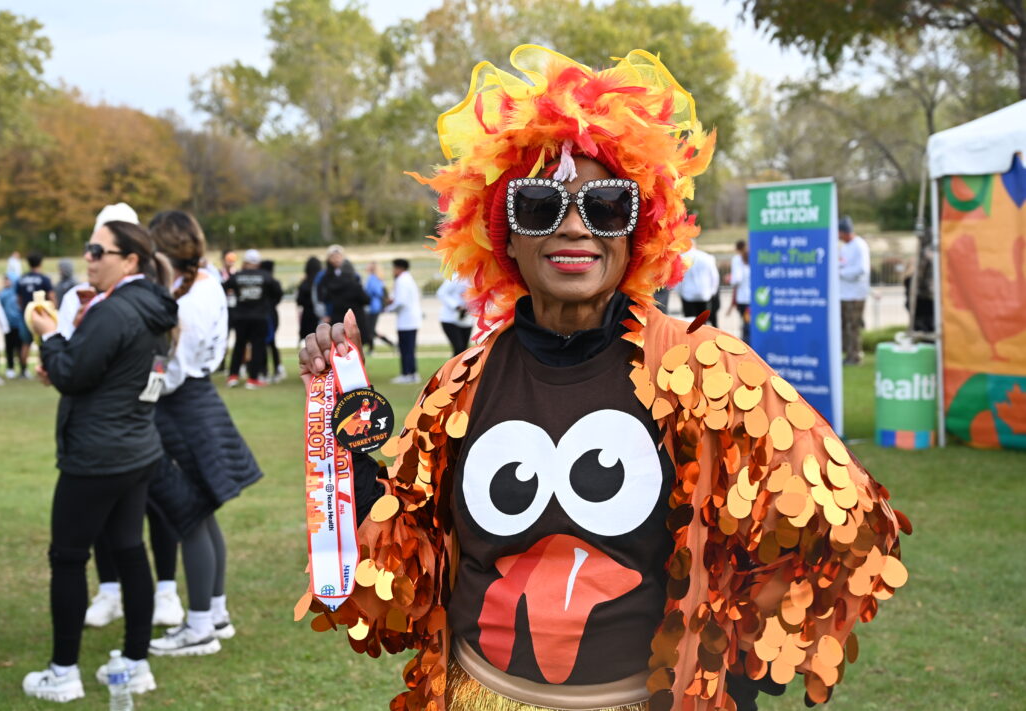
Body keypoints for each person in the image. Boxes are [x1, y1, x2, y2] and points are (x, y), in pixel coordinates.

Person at [299, 46, 908, 711]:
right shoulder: (460, 386)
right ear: (502, 231)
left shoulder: (708, 371)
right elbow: (402, 573)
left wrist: (738, 652)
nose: (573, 226)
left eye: (607, 204)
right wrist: (344, 450)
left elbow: (847, 525)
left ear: (640, 225)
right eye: (537, 205)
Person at [24, 219, 177, 702]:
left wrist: (49, 335)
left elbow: (72, 373)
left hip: (98, 454)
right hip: (134, 447)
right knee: (130, 549)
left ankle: (62, 672)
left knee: (68, 559)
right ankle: (136, 663)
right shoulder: (151, 306)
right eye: (87, 249)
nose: (88, 257)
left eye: (98, 250)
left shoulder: (114, 311)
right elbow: (104, 372)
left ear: (130, 260)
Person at [146, 210, 262, 656]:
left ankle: (198, 627)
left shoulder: (186, 297)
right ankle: (213, 612)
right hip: (199, 399)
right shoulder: (208, 283)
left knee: (189, 512)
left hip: (182, 405)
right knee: (204, 511)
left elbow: (171, 372)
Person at [224, 249, 277, 389]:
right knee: (257, 346)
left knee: (239, 345)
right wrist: (268, 304)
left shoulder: (237, 276)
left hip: (240, 316)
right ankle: (253, 378)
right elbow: (278, 291)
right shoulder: (265, 276)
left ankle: (233, 376)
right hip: (259, 316)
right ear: (258, 263)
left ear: (245, 262)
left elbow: (224, 288)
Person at [318, 244, 370, 345]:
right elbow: (319, 296)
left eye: (339, 256)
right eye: (333, 257)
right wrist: (324, 313)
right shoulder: (323, 276)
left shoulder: (352, 275)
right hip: (333, 313)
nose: (337, 259)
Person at [384, 257, 422, 383]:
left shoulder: (402, 280)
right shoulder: (408, 279)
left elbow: (401, 302)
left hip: (406, 321)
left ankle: (407, 374)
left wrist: (388, 308)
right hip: (410, 320)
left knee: (406, 348)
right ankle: (411, 373)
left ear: (398, 268)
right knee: (409, 348)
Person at [17, 250, 54, 377]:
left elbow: (19, 299)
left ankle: (23, 371)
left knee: (25, 344)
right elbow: (51, 296)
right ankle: (42, 369)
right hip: (41, 316)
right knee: (42, 344)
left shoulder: (22, 279)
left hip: (26, 315)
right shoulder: (44, 279)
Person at [838, 216, 870, 365]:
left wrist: (842, 273)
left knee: (854, 326)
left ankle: (855, 356)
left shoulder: (860, 245)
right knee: (845, 326)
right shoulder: (845, 247)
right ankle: (848, 355)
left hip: (856, 294)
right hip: (844, 294)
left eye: (839, 233)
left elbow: (862, 269)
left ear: (845, 232)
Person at [678, 245, 720, 328]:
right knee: (704, 324)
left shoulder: (682, 258)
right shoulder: (707, 257)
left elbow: (678, 277)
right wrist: (712, 292)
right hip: (704, 294)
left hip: (688, 294)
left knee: (689, 324)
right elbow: (714, 276)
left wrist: (680, 292)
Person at [437, 273, 474, 356]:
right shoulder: (457, 278)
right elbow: (441, 293)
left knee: (464, 350)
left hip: (467, 319)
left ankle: (460, 369)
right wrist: (457, 306)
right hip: (450, 319)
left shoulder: (477, 279)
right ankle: (451, 369)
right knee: (459, 348)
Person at [260, 259, 285, 382]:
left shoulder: (262, 280)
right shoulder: (273, 281)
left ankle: (264, 370)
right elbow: (279, 295)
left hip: (264, 314)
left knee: (264, 343)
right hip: (271, 314)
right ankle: (276, 368)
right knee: (272, 343)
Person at [0, 276, 28, 379]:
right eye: (5, 280)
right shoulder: (2, 294)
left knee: (20, 348)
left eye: (8, 280)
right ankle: (10, 368)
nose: (6, 282)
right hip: (8, 325)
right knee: (9, 348)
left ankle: (23, 369)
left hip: (19, 324)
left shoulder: (19, 292)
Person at [727, 239, 751, 344]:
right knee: (749, 321)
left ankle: (747, 343)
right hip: (752, 297)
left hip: (743, 297)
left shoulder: (737, 259)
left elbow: (737, 278)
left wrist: (729, 279)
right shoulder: (752, 257)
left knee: (746, 322)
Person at [297, 256, 324, 341]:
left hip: (308, 314)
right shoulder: (322, 282)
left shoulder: (304, 283)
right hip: (321, 314)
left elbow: (299, 301)